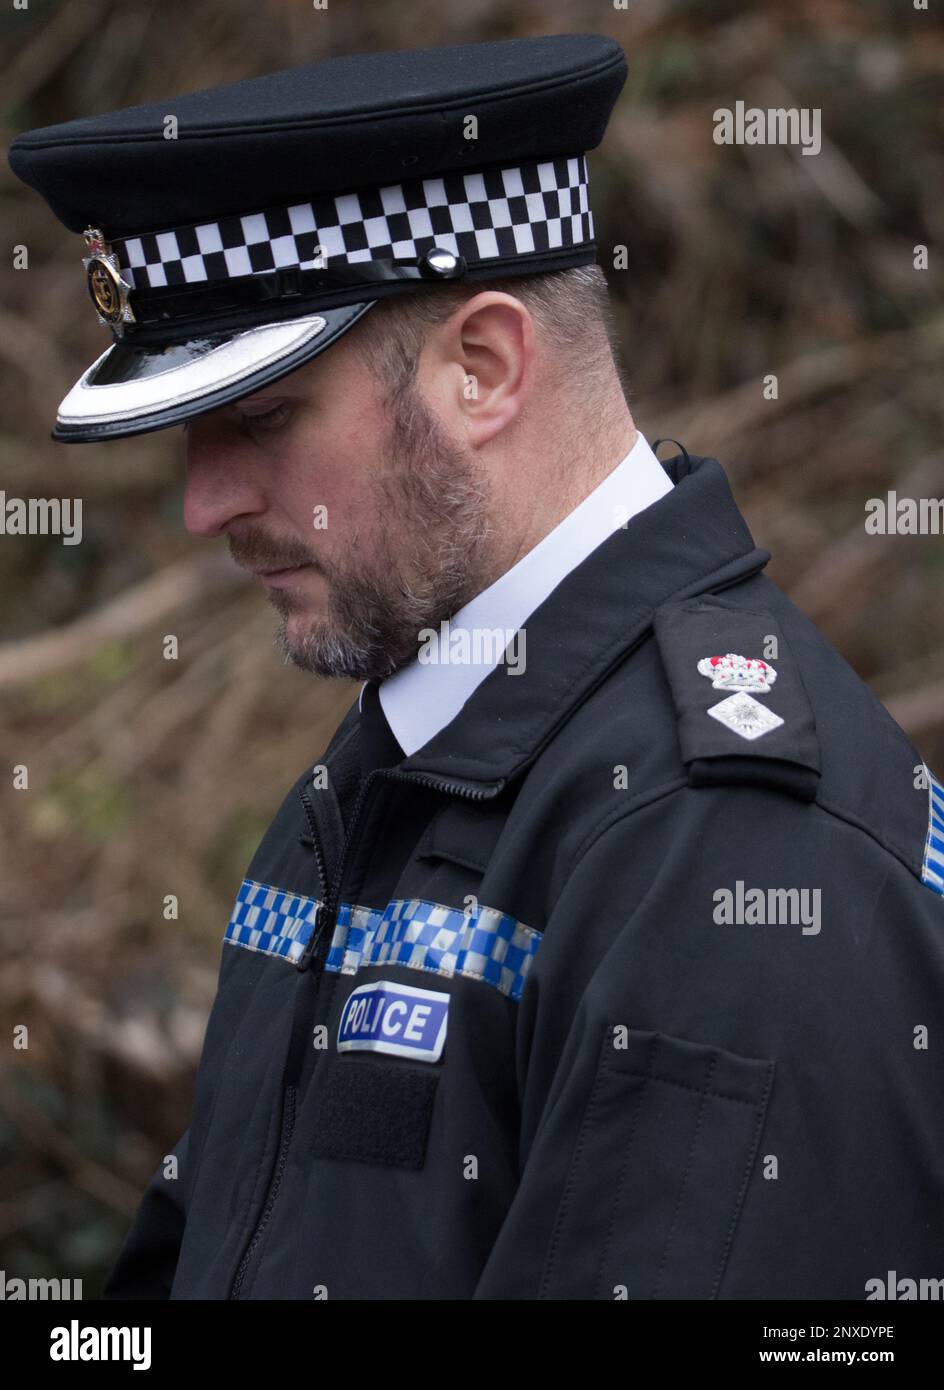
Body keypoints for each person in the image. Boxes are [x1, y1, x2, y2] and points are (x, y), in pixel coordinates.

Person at [8, 34, 944, 1301]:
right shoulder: (404, 751)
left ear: (482, 366)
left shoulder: (726, 845)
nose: (204, 504)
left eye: (263, 416)